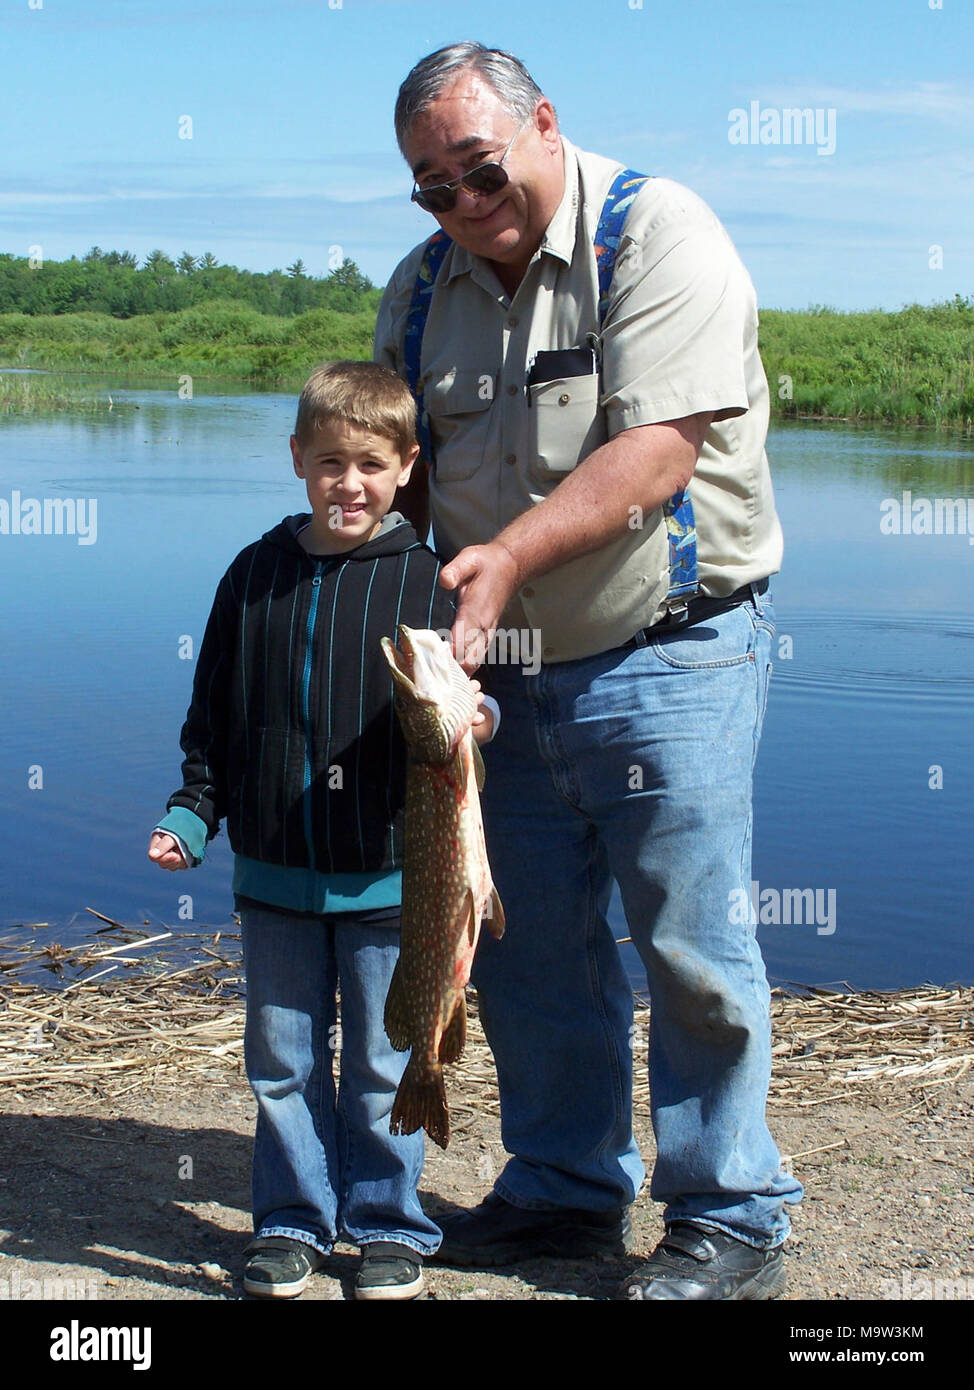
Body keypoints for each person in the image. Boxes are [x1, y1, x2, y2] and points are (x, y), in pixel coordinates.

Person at [374, 42, 804, 1300]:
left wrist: (502, 555)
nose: (460, 203)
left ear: (544, 123)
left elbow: (655, 455)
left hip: (670, 651)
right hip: (491, 679)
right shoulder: (417, 290)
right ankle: (562, 1190)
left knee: (690, 938)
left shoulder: (657, 232)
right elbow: (398, 485)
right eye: (429, 187)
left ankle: (730, 1207)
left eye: (476, 167)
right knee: (521, 948)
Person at [147, 360, 495, 1301]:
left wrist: (476, 720)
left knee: (389, 1061)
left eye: (372, 465)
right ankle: (293, 1221)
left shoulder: (425, 581)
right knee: (282, 1062)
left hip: (394, 883)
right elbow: (211, 714)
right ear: (298, 458)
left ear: (406, 468)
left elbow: (464, 707)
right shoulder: (254, 576)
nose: (350, 483)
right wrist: (194, 810)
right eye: (331, 461)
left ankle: (388, 1223)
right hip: (273, 878)